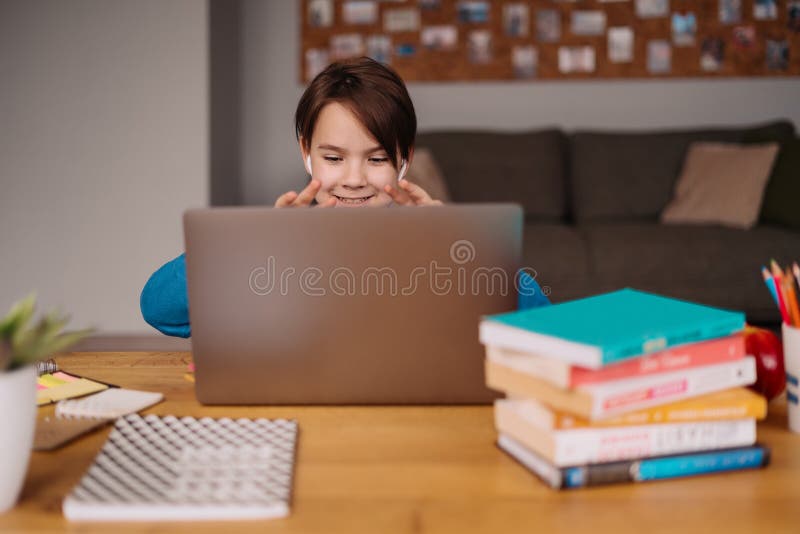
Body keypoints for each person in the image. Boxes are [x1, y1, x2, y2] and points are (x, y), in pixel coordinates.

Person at [140, 57, 548, 338]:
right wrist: (257, 243)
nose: (354, 179)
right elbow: (159, 307)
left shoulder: (431, 249)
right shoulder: (278, 245)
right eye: (334, 157)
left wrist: (456, 243)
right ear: (306, 151)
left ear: (403, 161)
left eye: (376, 159)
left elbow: (546, 325)